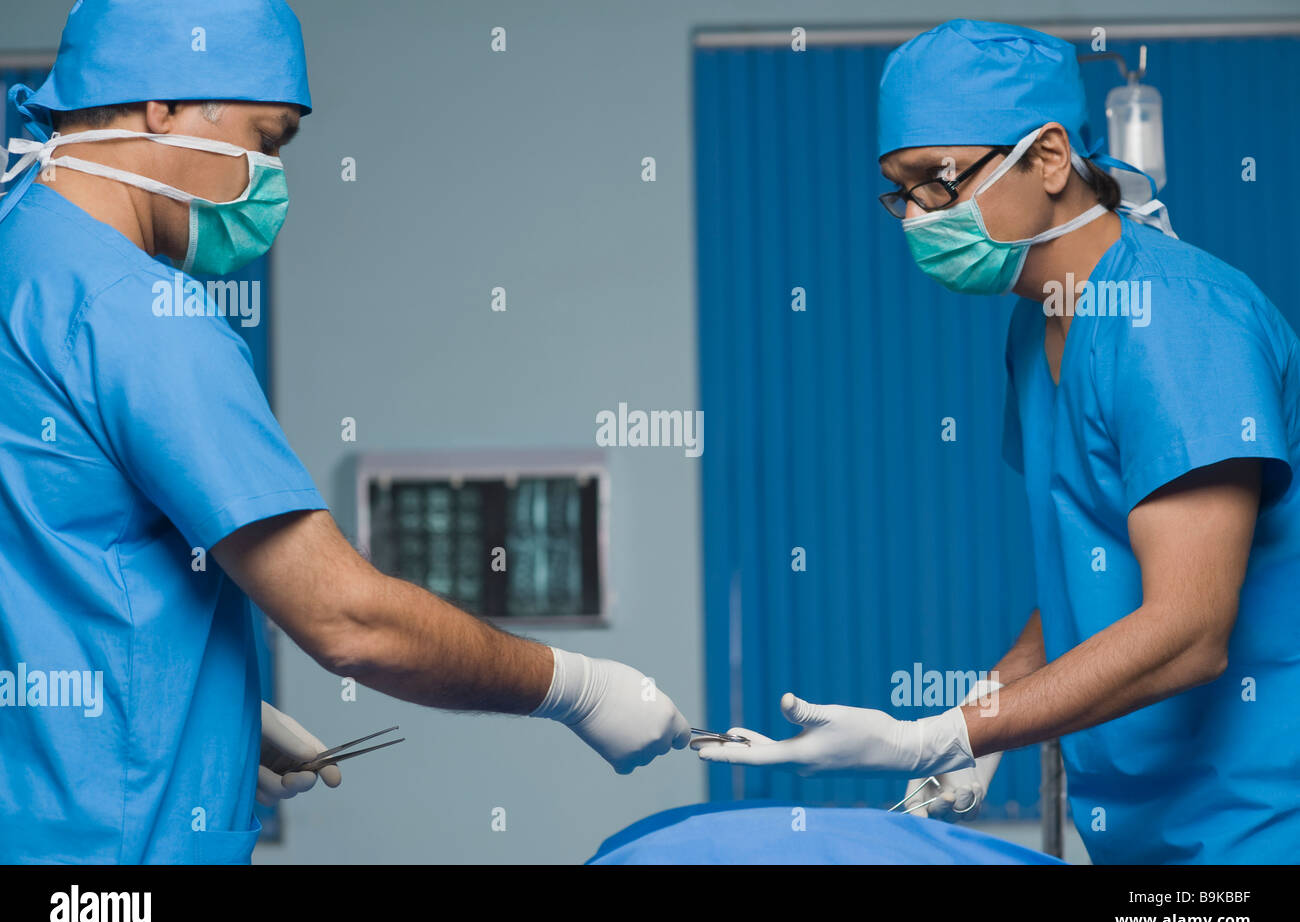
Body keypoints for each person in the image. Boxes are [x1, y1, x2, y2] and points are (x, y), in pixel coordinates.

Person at [0, 0, 688, 865]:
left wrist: (193, 707)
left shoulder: (20, 256)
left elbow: (41, 560)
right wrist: (579, 688)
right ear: (162, 106)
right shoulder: (137, 313)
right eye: (269, 141)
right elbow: (348, 621)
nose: (272, 181)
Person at [696, 19, 1300, 864]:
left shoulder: (1175, 322)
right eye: (897, 191)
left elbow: (1189, 627)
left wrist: (939, 733)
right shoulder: (1036, 327)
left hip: (1259, 830)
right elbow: (1092, 574)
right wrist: (988, 723)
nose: (914, 216)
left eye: (936, 182)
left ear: (1049, 158)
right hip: (1145, 834)